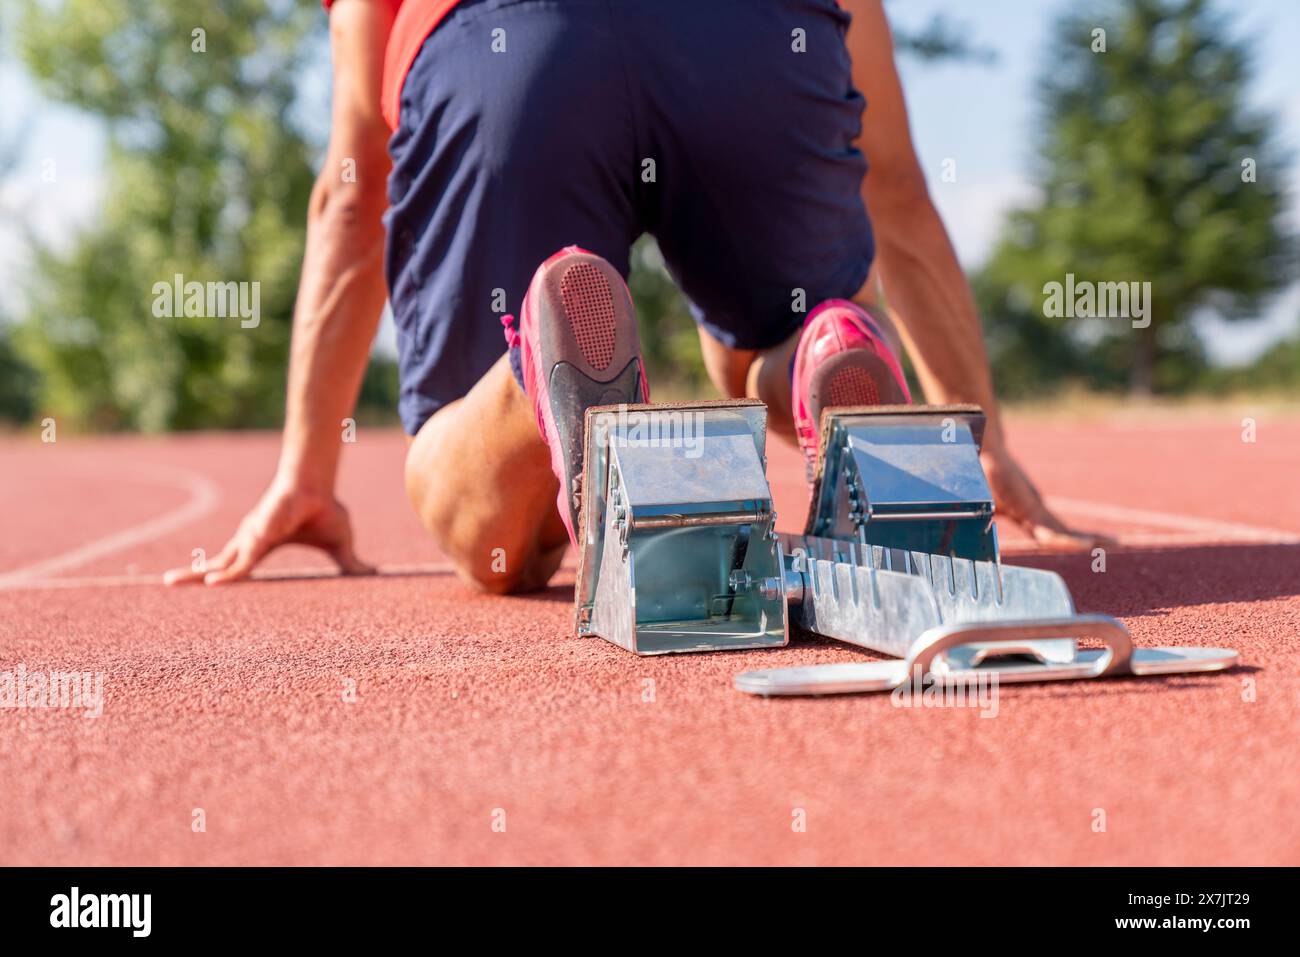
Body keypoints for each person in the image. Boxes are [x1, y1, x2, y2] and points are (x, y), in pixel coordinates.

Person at [166, 0, 1098, 592]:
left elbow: (351, 188)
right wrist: (983, 436)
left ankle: (530, 378)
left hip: (510, 51)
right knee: (772, 331)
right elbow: (896, 186)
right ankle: (820, 342)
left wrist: (304, 474)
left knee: (505, 548)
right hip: (757, 45)